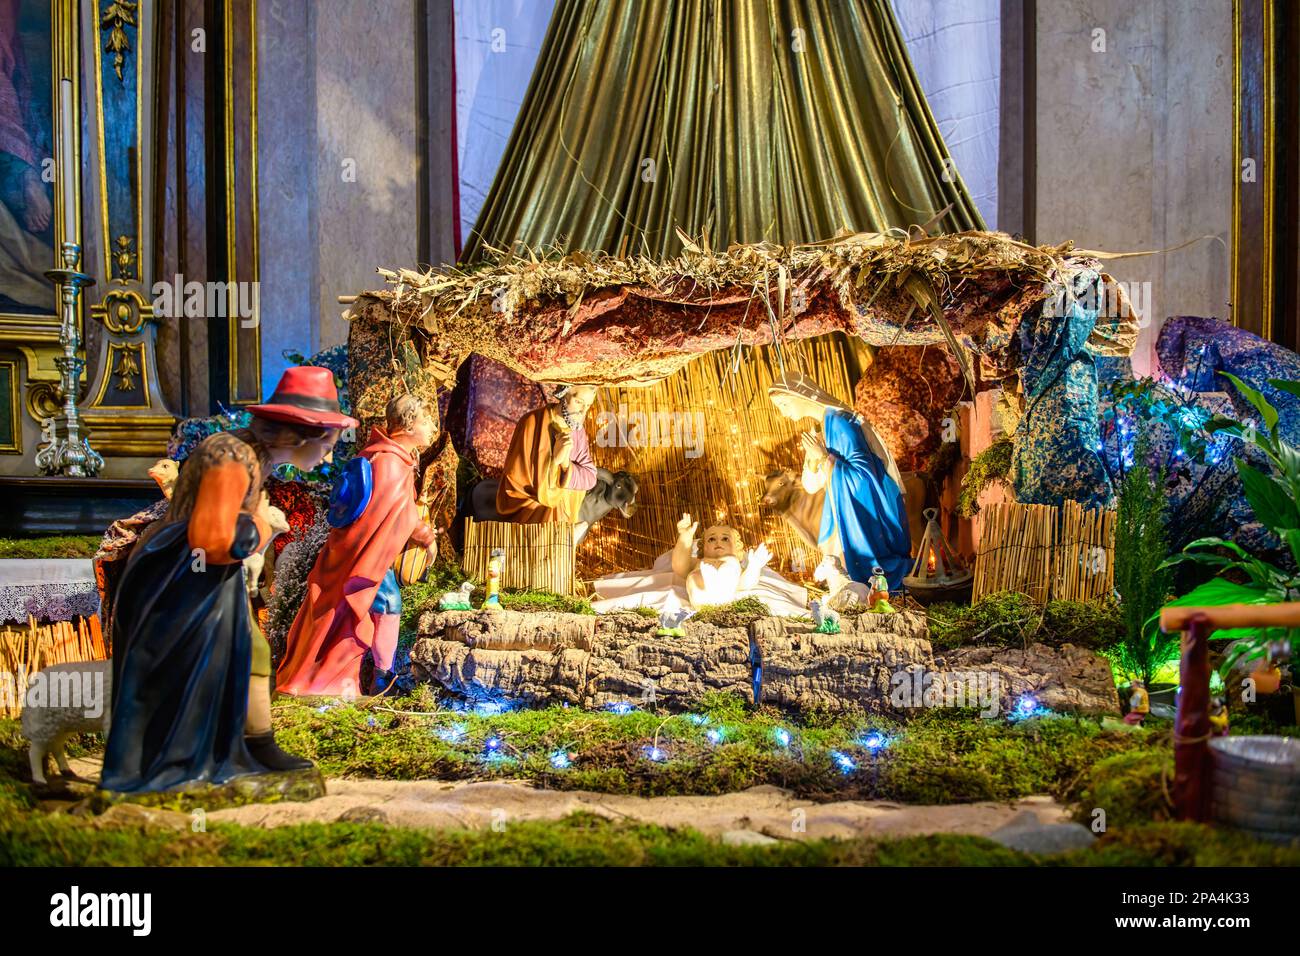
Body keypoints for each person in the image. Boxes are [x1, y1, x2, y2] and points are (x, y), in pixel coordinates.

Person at [101, 367, 354, 793]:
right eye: (327, 444)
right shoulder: (232, 457)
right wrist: (261, 524)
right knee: (196, 664)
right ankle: (177, 764)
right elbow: (211, 540)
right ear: (300, 434)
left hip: (204, 575)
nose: (328, 456)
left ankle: (253, 744)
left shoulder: (256, 456)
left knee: (246, 648)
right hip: (179, 578)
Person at [277, 395, 437, 696]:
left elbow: (392, 513)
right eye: (426, 421)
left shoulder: (388, 457)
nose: (431, 429)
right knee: (388, 604)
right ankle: (380, 678)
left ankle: (372, 676)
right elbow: (399, 516)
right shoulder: (390, 463)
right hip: (362, 560)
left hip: (357, 554)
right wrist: (427, 538)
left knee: (372, 610)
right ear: (409, 423)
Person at [768, 373, 911, 591]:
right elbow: (811, 484)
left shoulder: (840, 421)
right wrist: (817, 460)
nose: (783, 413)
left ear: (800, 394)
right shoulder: (822, 427)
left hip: (860, 509)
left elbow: (863, 475)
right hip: (841, 505)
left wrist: (825, 459)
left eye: (784, 404)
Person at [496, 384, 598, 524]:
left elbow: (591, 477)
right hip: (531, 500)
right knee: (551, 512)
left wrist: (565, 464)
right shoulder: (531, 422)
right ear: (564, 395)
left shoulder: (578, 432)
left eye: (588, 405)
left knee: (559, 512)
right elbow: (516, 478)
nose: (583, 411)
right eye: (579, 402)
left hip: (564, 507)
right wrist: (553, 462)